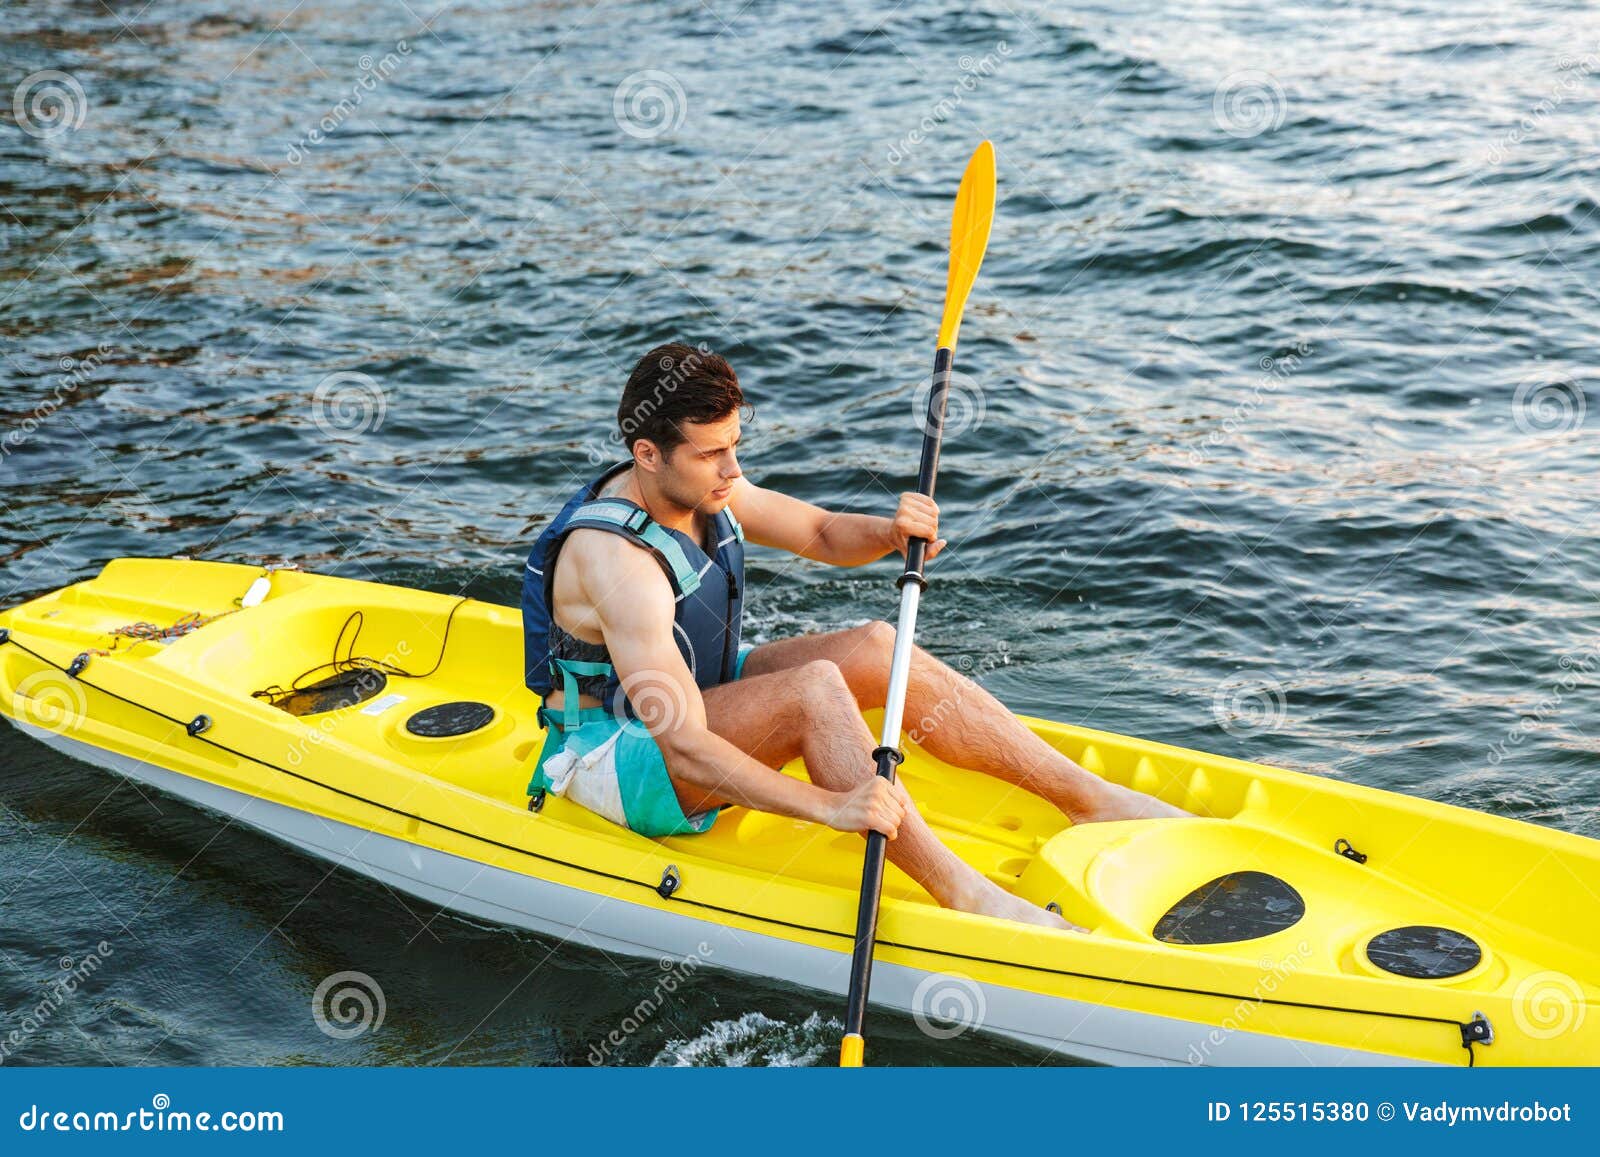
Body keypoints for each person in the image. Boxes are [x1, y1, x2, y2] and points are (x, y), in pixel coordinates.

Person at [522, 342, 1186, 930]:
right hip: (619, 756)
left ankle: (1090, 799)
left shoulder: (704, 486)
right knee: (814, 691)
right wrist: (832, 806)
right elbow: (689, 747)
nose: (732, 468)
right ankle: (963, 891)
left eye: (735, 446)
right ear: (647, 453)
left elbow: (817, 532)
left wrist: (891, 531)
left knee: (871, 643)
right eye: (713, 453)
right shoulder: (618, 564)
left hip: (698, 692)